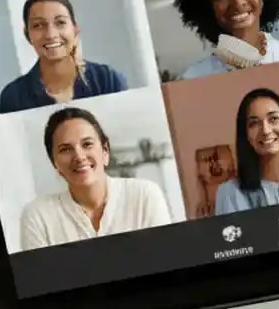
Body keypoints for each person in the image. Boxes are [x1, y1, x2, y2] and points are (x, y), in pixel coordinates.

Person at [19, 107, 171, 250]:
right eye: (65, 149)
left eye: (87, 144)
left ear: (105, 152)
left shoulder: (145, 195)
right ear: (55, 163)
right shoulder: (37, 216)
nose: (79, 157)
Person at [0, 0, 128, 114]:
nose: (50, 34)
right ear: (27, 35)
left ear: (75, 29)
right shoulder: (13, 97)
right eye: (38, 25)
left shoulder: (107, 80)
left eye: (60, 22)